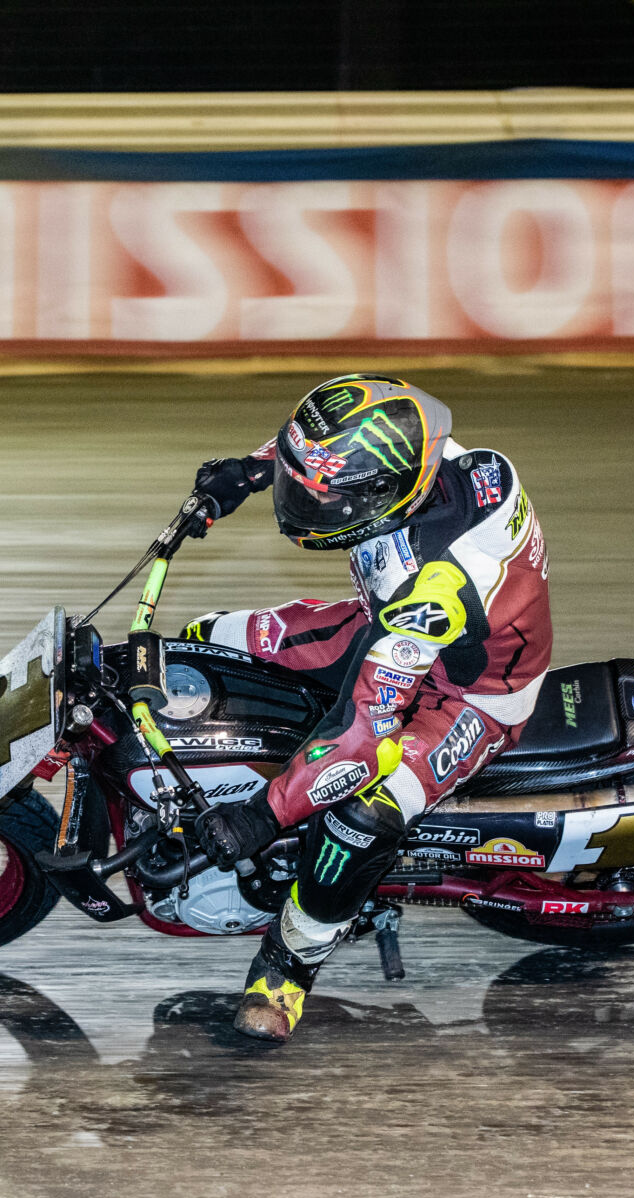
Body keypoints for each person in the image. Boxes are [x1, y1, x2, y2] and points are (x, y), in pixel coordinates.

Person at [185, 374, 553, 1043]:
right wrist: (252, 469)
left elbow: (360, 737)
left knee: (358, 814)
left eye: (325, 499)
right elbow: (328, 456)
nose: (306, 504)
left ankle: (288, 966)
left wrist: (261, 817)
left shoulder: (435, 585)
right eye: (305, 487)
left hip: (472, 695)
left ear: (387, 496)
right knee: (209, 637)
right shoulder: (424, 456)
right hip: (390, 628)